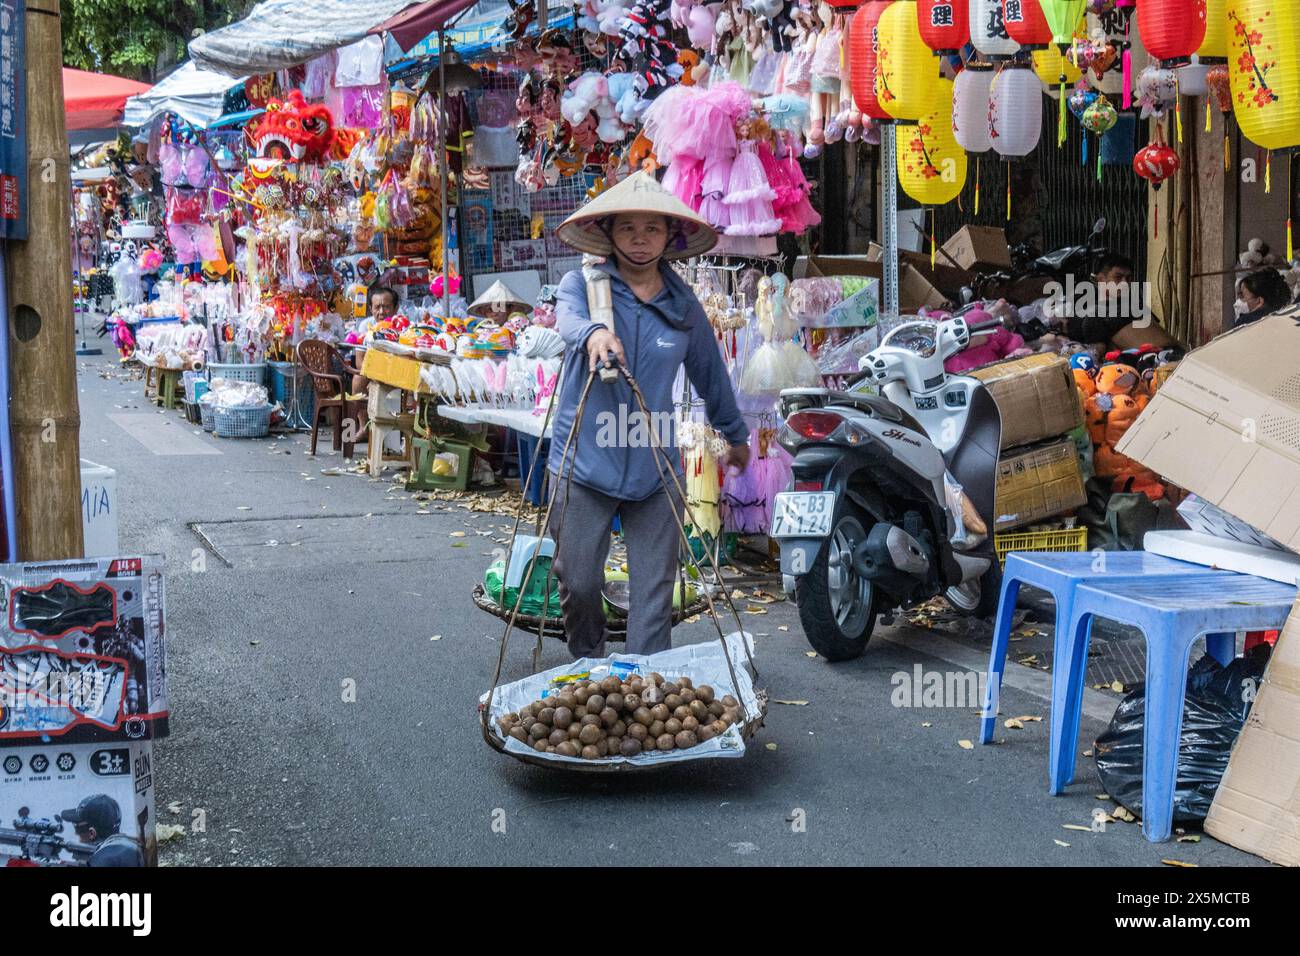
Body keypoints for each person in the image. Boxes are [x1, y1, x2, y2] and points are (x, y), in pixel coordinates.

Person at [547, 171, 750, 659]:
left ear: (670, 236)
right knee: (578, 583)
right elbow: (569, 320)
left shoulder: (683, 307)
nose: (640, 240)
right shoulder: (582, 285)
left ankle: (642, 689)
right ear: (609, 233)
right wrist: (595, 333)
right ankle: (589, 672)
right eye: (628, 229)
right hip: (583, 463)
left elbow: (711, 374)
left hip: (654, 467)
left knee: (655, 596)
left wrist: (736, 435)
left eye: (652, 229)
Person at [1066, 253, 1176, 350]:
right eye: (1118, 277)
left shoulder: (1135, 304)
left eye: (1128, 278)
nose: (1124, 283)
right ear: (1101, 280)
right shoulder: (1091, 311)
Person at [61, 794, 145, 867]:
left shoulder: (104, 859)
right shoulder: (129, 847)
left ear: (92, 833)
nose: (75, 833)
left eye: (77, 828)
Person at [348, 284, 399, 396]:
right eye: (377, 307)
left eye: (386, 307)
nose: (381, 312)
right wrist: (379, 372)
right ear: (370, 309)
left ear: (395, 308)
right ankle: (359, 413)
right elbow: (359, 363)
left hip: (396, 370)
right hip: (373, 370)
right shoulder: (365, 326)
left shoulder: (401, 325)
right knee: (358, 379)